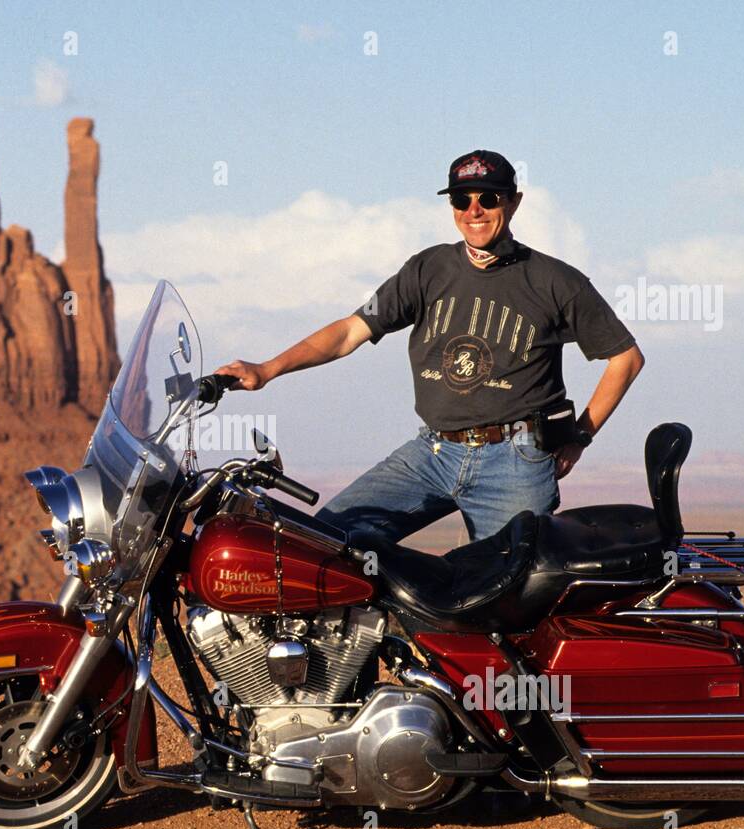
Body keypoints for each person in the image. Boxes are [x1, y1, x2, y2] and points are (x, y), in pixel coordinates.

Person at [213, 149, 644, 544]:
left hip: (514, 460)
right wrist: (266, 370)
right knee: (325, 544)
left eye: (489, 199)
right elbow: (348, 332)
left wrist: (580, 436)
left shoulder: (556, 281)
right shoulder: (428, 269)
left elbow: (625, 357)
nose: (474, 211)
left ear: (513, 202)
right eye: (461, 200)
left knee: (510, 598)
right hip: (432, 452)